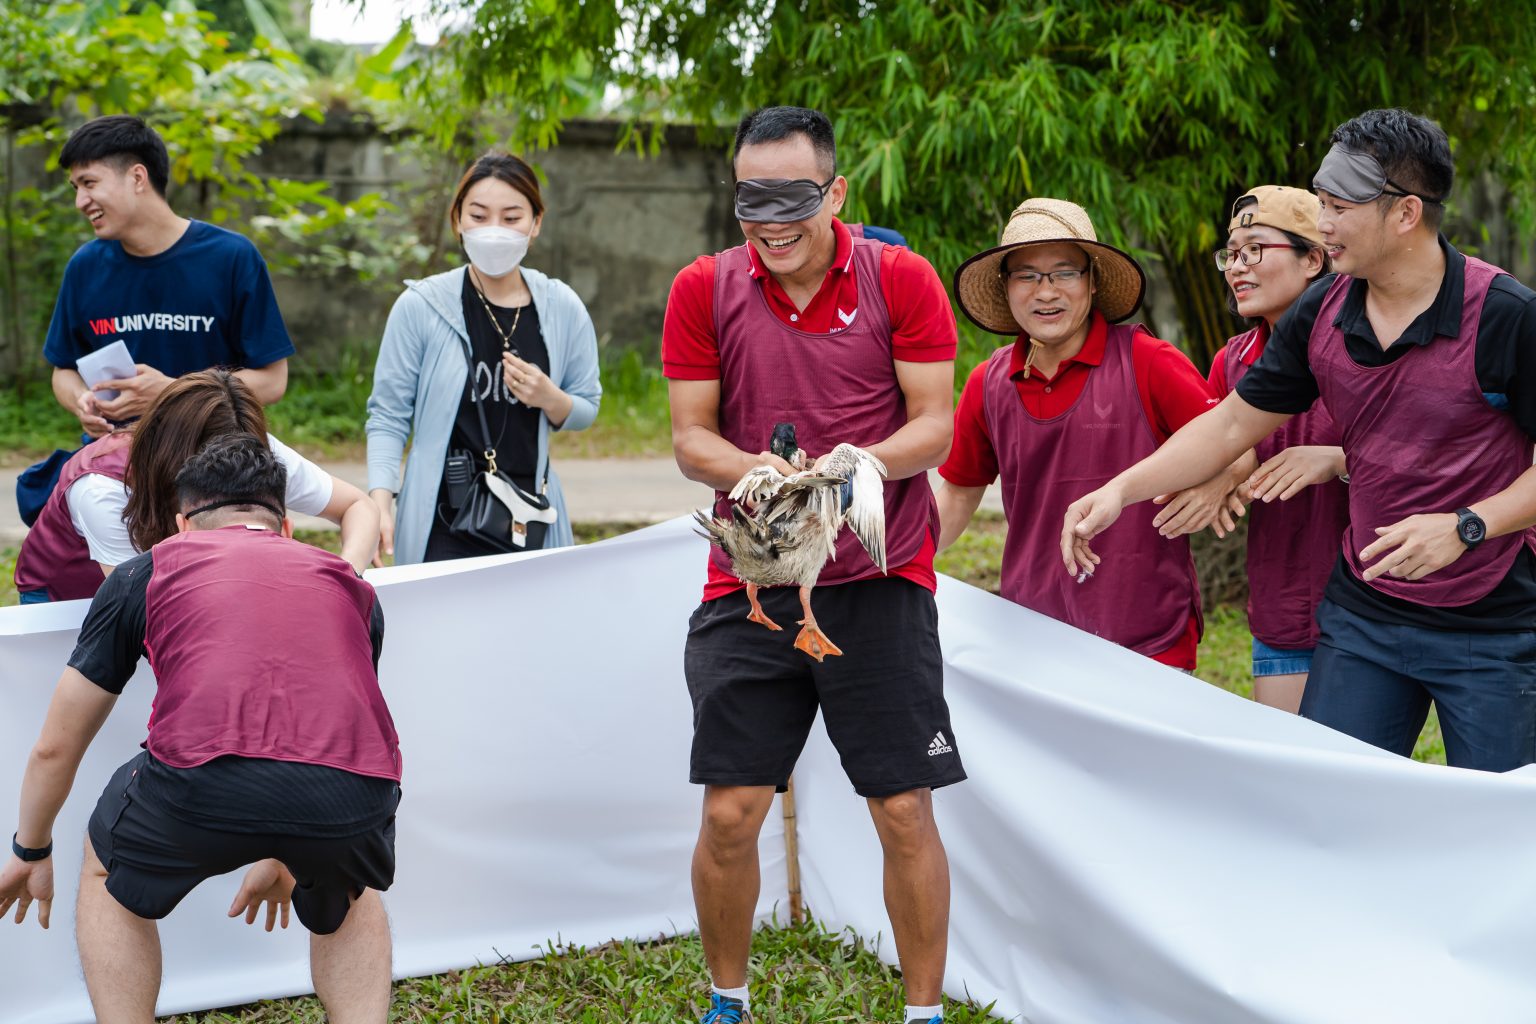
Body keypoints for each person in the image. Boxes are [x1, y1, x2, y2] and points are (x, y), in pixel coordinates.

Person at [1064, 108, 1536, 771]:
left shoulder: (1506, 317)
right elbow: (1231, 423)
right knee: (1330, 810)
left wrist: (1466, 526)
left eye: (1339, 206)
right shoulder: (1323, 311)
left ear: (1404, 215)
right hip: (1366, 612)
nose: (1324, 222)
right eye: (1321, 202)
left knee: (1503, 834)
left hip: (1490, 620)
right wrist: (1121, 490)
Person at [665, 105, 963, 1024]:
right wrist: (759, 472)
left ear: (834, 192)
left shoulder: (900, 278)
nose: (772, 217)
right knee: (730, 814)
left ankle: (923, 1014)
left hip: (877, 581)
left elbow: (934, 425)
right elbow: (690, 439)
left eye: (793, 194)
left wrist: (850, 469)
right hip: (750, 579)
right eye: (753, 196)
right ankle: (728, 1001)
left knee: (902, 810)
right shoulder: (704, 286)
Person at [0, 435, 400, 1024]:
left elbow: (57, 743)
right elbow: (332, 731)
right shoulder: (348, 583)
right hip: (354, 789)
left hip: (196, 781)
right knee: (349, 885)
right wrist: (290, 851)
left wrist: (30, 847)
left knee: (105, 866)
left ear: (183, 523)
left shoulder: (146, 570)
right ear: (286, 525)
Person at [935, 198, 1216, 671]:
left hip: (1148, 640)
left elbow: (1231, 440)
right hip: (1031, 634)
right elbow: (959, 495)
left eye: (1064, 272)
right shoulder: (988, 383)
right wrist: (894, 556)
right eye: (1026, 275)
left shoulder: (1148, 361)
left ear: (1092, 281)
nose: (1046, 292)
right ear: (1006, 288)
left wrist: (1219, 480)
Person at [21, 115, 293, 523]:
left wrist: (172, 391)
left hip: (215, 478)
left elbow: (273, 380)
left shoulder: (231, 258)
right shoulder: (85, 267)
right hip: (115, 476)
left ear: (137, 177)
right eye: (75, 188)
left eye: (90, 183)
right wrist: (82, 401)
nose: (80, 201)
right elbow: (63, 370)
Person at [366, 150, 602, 563]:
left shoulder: (562, 306)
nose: (495, 230)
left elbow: (586, 406)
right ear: (457, 220)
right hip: (442, 520)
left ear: (535, 224)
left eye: (511, 218)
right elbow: (388, 416)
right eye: (478, 216)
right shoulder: (421, 305)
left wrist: (551, 398)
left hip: (532, 516)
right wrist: (380, 501)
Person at [1170, 186, 1347, 712]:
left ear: (1314, 258)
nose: (1236, 267)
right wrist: (1222, 473)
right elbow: (1224, 441)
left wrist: (1337, 462)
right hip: (1284, 603)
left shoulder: (1367, 346)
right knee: (1290, 781)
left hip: (1375, 607)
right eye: (1232, 253)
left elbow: (1425, 458)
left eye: (1255, 250)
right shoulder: (1232, 361)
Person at [13, 370, 377, 603]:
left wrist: (345, 580)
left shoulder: (250, 445)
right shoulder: (102, 489)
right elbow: (141, 606)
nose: (236, 477)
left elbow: (357, 506)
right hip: (72, 592)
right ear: (177, 462)